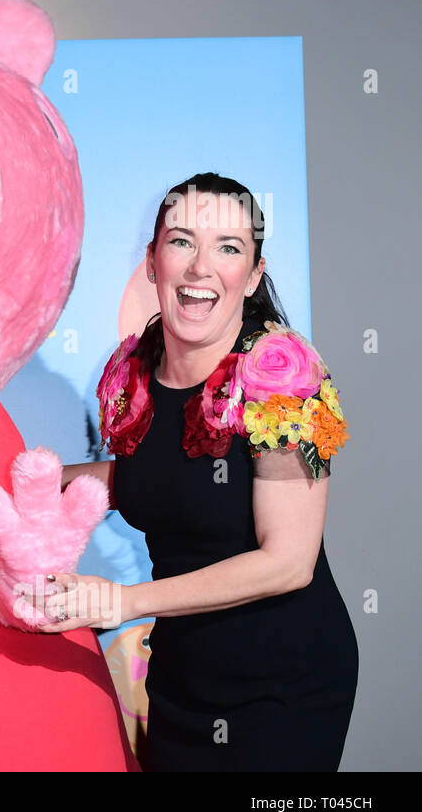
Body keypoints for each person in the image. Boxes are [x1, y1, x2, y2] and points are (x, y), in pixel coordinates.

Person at [38, 172, 357, 771]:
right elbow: (157, 481)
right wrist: (21, 474)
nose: (200, 267)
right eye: (182, 241)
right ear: (153, 259)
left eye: (228, 249)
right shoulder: (133, 368)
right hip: (182, 684)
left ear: (254, 275)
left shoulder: (282, 373)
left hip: (283, 690)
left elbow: (288, 562)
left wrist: (119, 601)